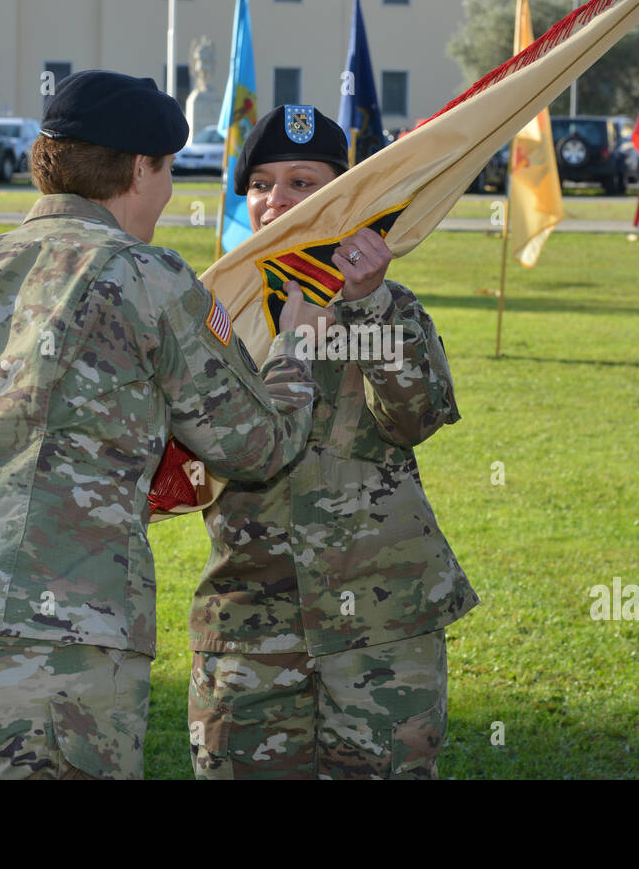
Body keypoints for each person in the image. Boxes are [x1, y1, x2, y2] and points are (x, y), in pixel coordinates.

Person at [0, 71, 323, 779]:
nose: (169, 192)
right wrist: (297, 345)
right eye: (168, 171)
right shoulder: (149, 276)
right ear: (141, 167)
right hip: (64, 641)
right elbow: (258, 446)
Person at [187, 105, 479, 779]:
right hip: (249, 621)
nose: (275, 201)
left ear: (341, 197)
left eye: (301, 183)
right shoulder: (216, 314)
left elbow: (417, 418)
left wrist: (367, 304)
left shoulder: (389, 307)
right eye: (260, 184)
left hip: (380, 621)